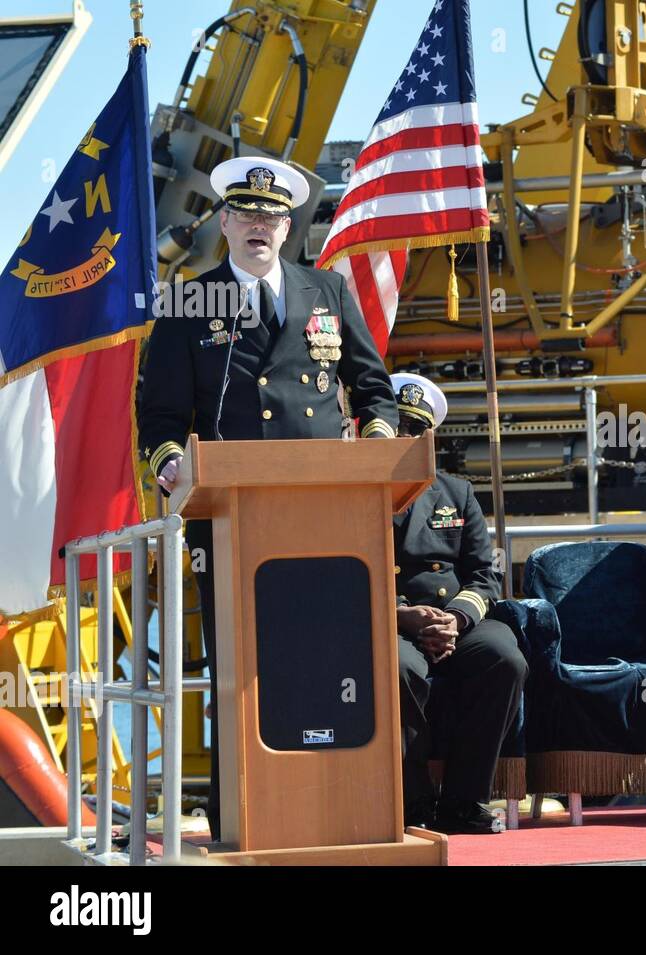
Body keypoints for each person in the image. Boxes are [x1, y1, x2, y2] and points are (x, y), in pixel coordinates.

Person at [137, 156, 398, 840]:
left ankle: (333, 811)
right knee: (243, 675)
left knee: (328, 661)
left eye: (271, 216)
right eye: (245, 214)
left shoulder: (328, 291)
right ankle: (242, 819)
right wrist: (171, 467)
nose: (259, 226)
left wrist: (375, 439)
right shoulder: (192, 300)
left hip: (328, 520)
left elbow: (375, 390)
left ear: (288, 227)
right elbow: (161, 420)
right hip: (231, 523)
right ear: (224, 222)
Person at [389, 373, 527, 834]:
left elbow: (486, 574)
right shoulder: (353, 492)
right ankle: (415, 804)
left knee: (504, 658)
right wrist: (402, 616)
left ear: (430, 438)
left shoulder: (455, 492)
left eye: (415, 430)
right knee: (400, 671)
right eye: (396, 426)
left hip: (454, 620)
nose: (405, 438)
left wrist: (454, 619)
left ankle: (465, 801)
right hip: (389, 620)